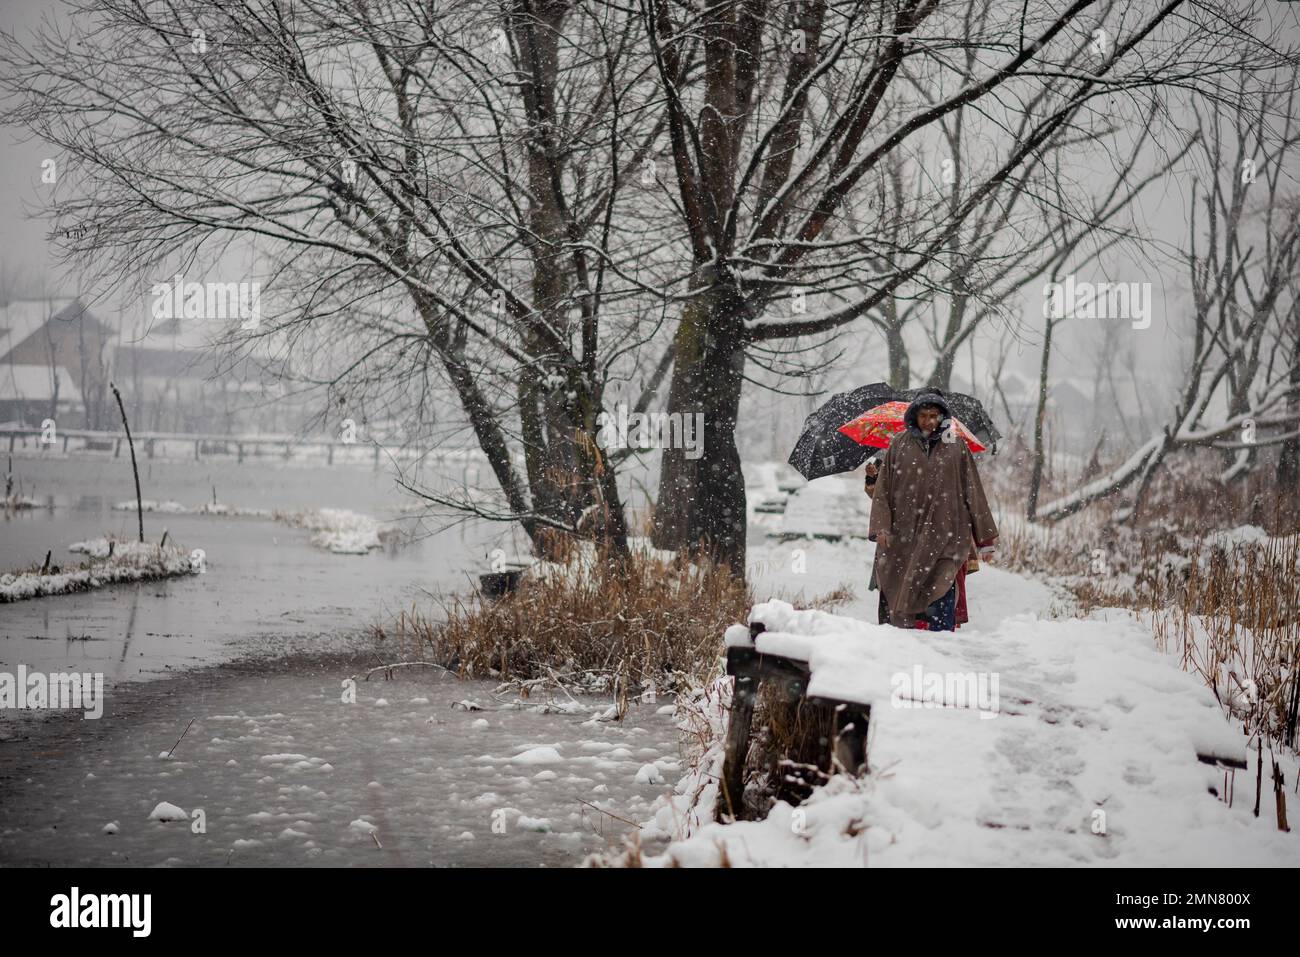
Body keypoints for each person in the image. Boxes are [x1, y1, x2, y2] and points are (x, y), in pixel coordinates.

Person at [867, 392, 998, 632]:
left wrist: (986, 539)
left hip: (945, 537)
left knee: (941, 589)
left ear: (942, 418)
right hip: (904, 539)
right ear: (914, 416)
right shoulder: (898, 444)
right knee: (903, 595)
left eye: (934, 416)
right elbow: (882, 492)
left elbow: (974, 492)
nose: (928, 421)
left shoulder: (956, 447)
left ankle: (941, 645)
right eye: (923, 415)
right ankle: (903, 645)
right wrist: (881, 527)